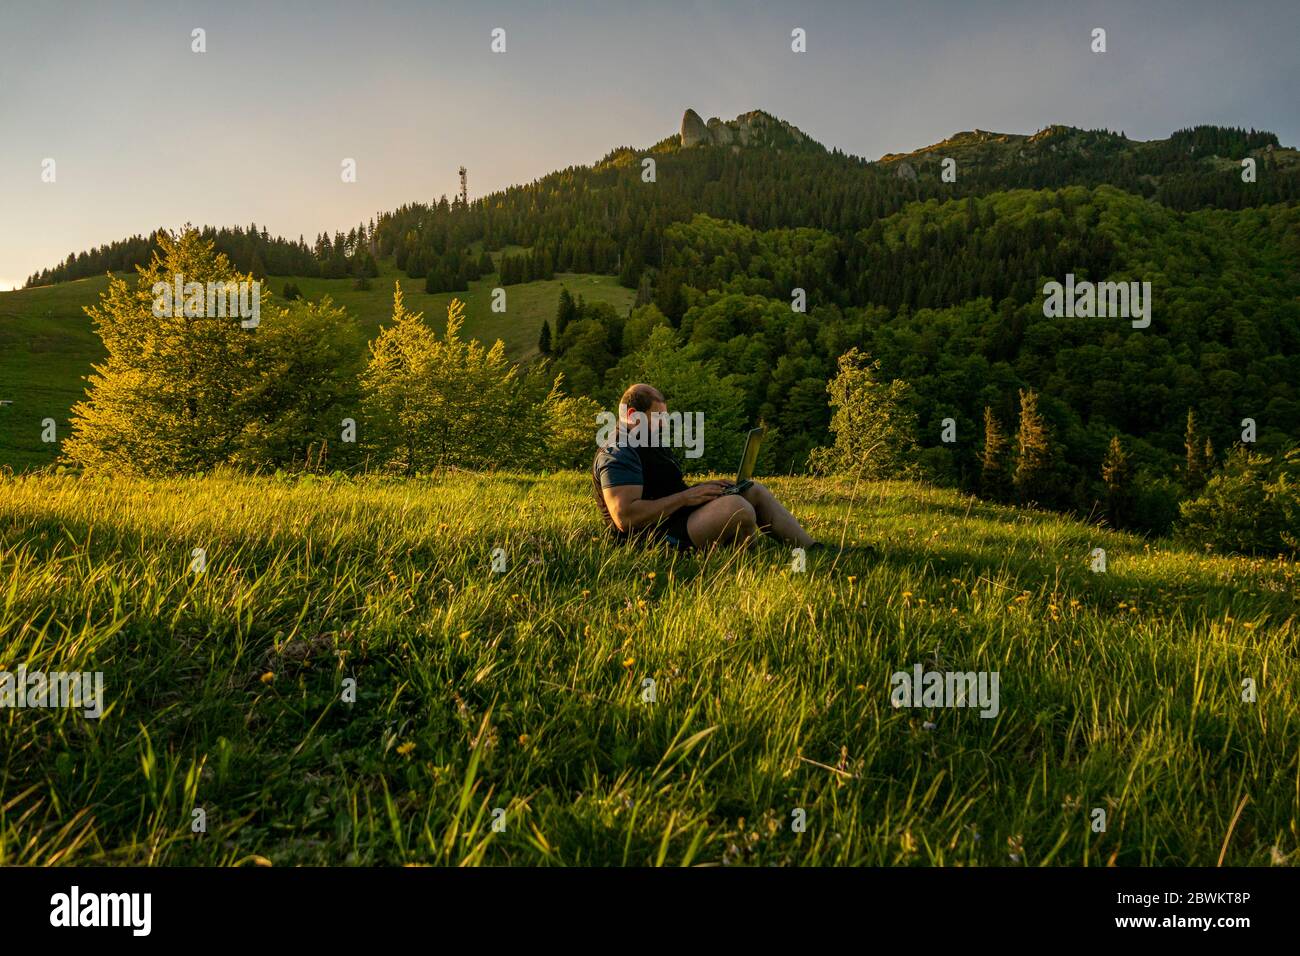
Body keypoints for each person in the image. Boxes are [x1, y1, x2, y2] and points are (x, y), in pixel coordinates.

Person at [592, 383, 817, 551]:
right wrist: (686, 497)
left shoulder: (647, 442)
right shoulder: (618, 452)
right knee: (738, 508)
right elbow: (626, 518)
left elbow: (665, 490)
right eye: (658, 416)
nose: (663, 423)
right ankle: (743, 558)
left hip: (674, 519)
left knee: (751, 490)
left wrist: (704, 490)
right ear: (633, 416)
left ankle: (811, 548)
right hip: (649, 538)